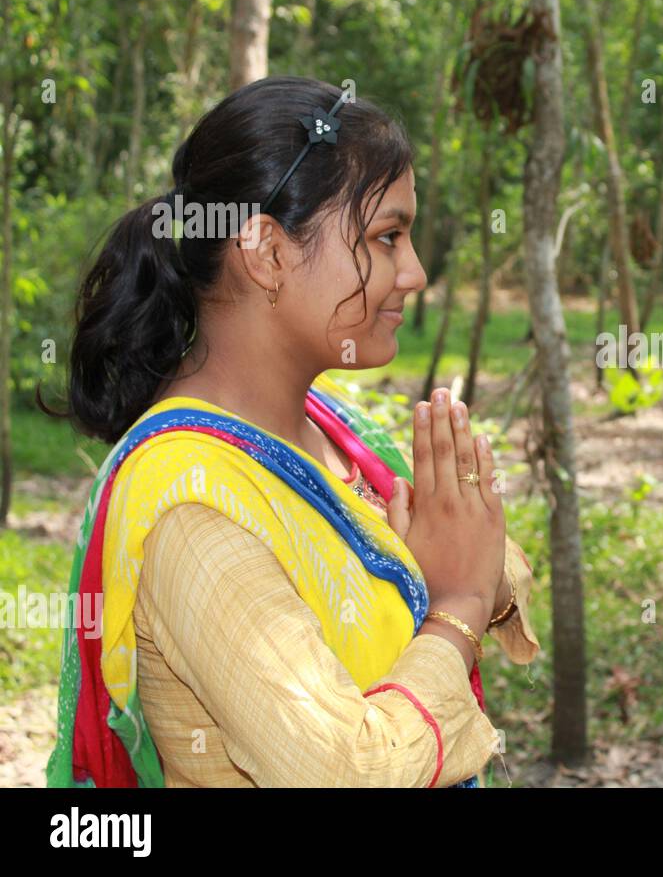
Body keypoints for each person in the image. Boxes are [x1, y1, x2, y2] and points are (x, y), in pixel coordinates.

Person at [42, 76, 539, 788]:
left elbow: (490, 560)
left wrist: (460, 573)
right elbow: (348, 771)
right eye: (388, 237)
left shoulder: (335, 431)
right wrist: (456, 606)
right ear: (267, 252)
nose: (416, 273)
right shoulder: (191, 506)